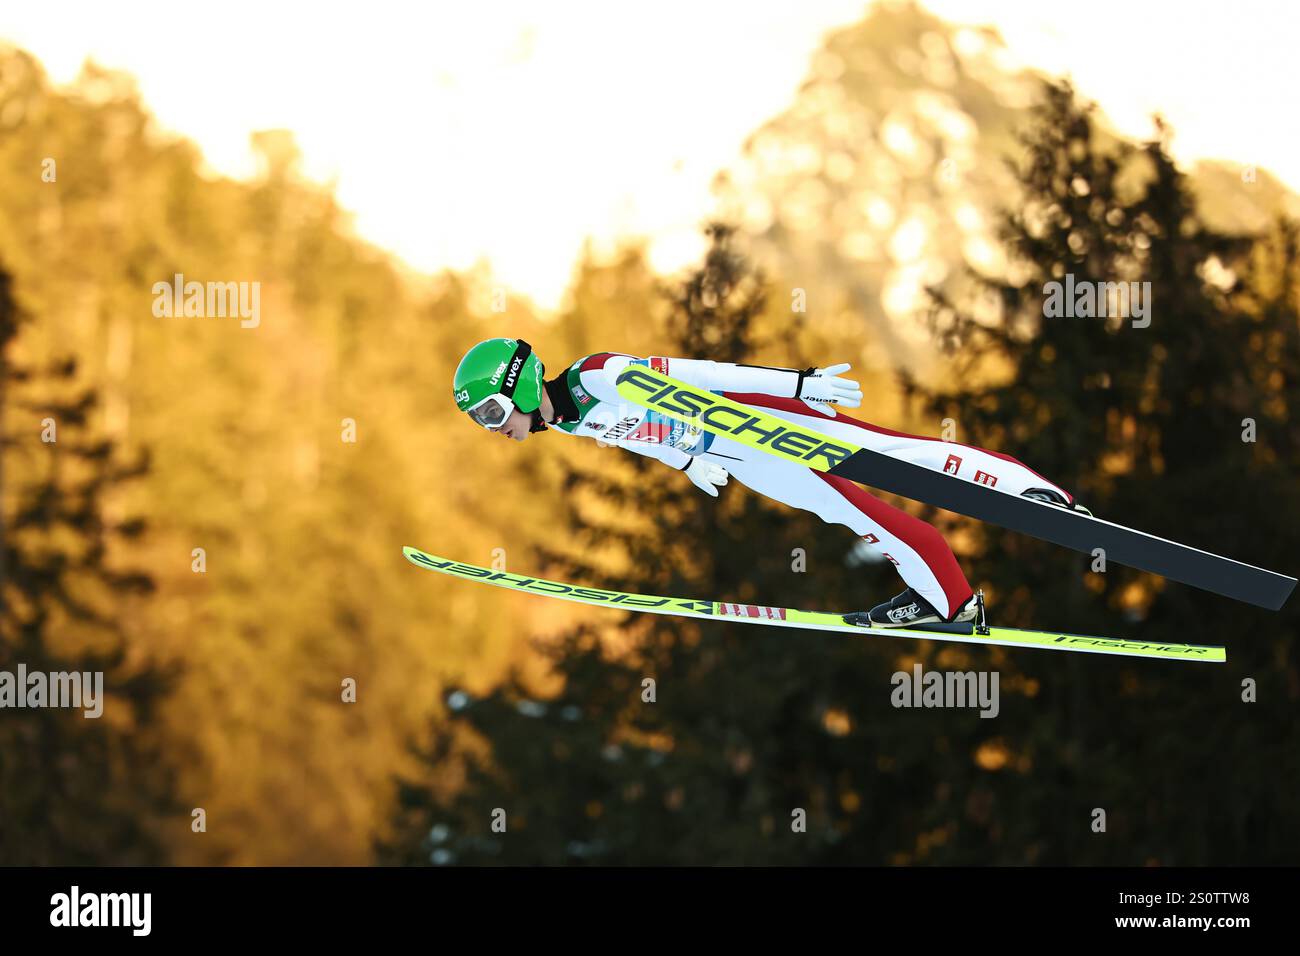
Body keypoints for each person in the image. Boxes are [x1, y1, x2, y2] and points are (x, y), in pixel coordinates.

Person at [452, 338, 1084, 628]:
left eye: (491, 413)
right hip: (741, 454)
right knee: (855, 515)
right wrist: (688, 461)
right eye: (482, 421)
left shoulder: (601, 376)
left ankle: (1029, 494)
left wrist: (798, 386)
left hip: (761, 419)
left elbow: (704, 376)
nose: (494, 428)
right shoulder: (568, 421)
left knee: (896, 455)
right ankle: (945, 597)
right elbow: (644, 434)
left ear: (522, 385)